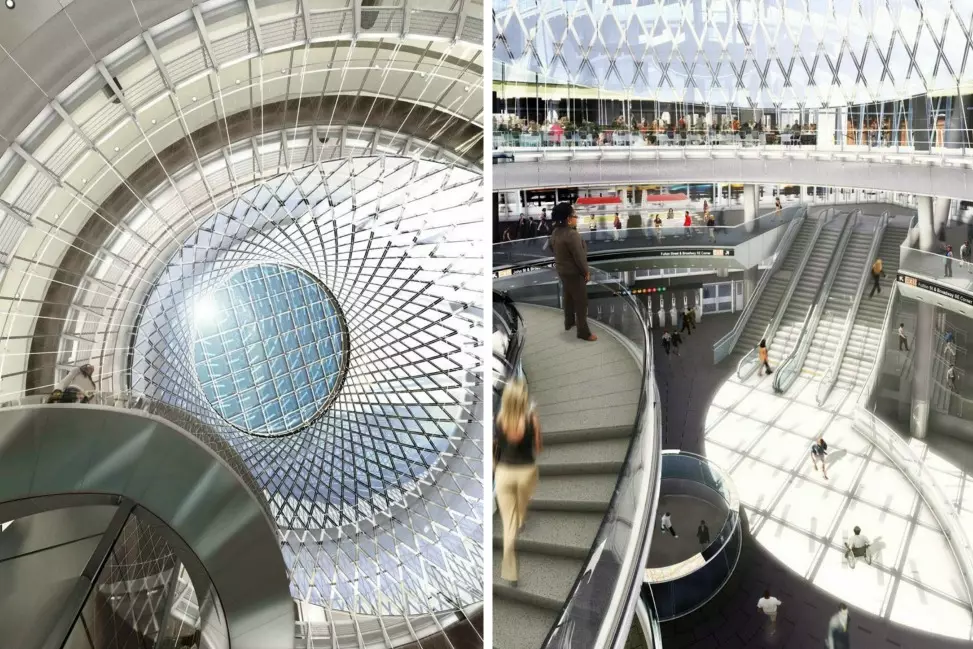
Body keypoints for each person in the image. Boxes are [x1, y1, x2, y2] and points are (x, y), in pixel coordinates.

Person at [494, 379, 542, 587]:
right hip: (525, 471)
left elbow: (493, 448)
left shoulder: (499, 419)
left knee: (508, 524)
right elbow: (538, 447)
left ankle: (510, 570)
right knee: (522, 505)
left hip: (503, 472)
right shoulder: (531, 418)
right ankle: (521, 519)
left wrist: (496, 466)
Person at [550, 203, 596, 342]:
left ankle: (569, 322)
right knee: (581, 302)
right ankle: (583, 332)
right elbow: (579, 257)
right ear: (568, 219)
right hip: (575, 273)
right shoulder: (572, 234)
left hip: (562, 271)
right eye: (575, 215)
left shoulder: (555, 232)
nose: (577, 218)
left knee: (568, 297)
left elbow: (553, 249)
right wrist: (586, 272)